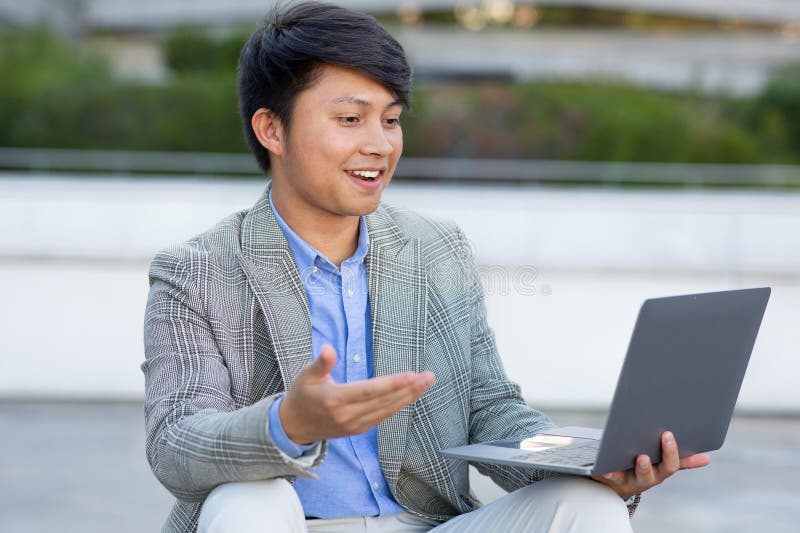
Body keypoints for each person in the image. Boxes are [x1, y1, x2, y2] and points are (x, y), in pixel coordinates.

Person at [142, 3, 710, 532]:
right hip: (284, 522)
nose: (379, 145)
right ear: (272, 130)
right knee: (248, 498)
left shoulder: (436, 249)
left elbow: (490, 411)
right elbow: (175, 443)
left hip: (426, 522)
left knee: (588, 506)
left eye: (390, 121)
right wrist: (284, 425)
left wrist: (590, 463)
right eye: (349, 118)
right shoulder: (197, 270)